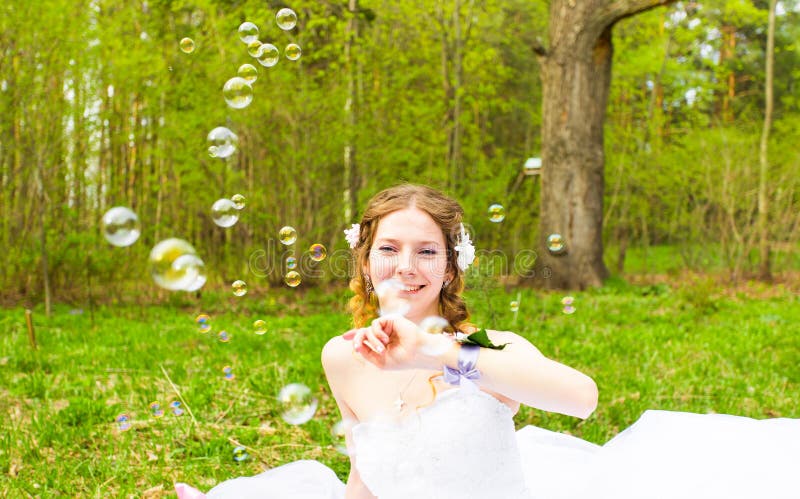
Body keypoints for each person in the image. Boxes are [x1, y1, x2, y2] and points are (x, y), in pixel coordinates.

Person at [176, 184, 800, 499]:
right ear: (365, 261)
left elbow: (582, 398)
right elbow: (365, 477)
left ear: (450, 268)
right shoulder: (344, 355)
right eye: (389, 250)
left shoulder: (486, 350)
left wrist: (437, 354)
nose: (407, 266)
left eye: (427, 252)